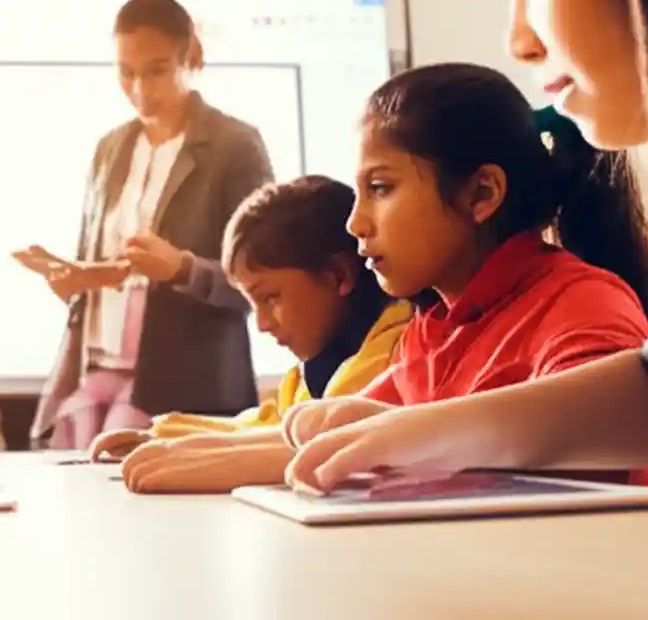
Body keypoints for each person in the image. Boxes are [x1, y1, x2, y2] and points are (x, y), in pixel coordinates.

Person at [282, 0, 648, 495]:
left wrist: (424, 436)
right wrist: (418, 434)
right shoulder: (428, 327)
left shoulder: (574, 301)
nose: (518, 41)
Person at [21, 0, 274, 450]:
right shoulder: (111, 148)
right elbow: (116, 271)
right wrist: (76, 280)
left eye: (156, 71)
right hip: (96, 373)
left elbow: (267, 279)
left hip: (181, 388)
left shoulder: (234, 146)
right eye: (126, 73)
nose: (140, 90)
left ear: (191, 57)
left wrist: (182, 268)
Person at [88, 176, 412, 492]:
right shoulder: (315, 369)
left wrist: (191, 456)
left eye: (271, 297)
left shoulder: (392, 352)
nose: (262, 324)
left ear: (338, 275)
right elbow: (269, 423)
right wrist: (162, 436)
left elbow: (324, 436)